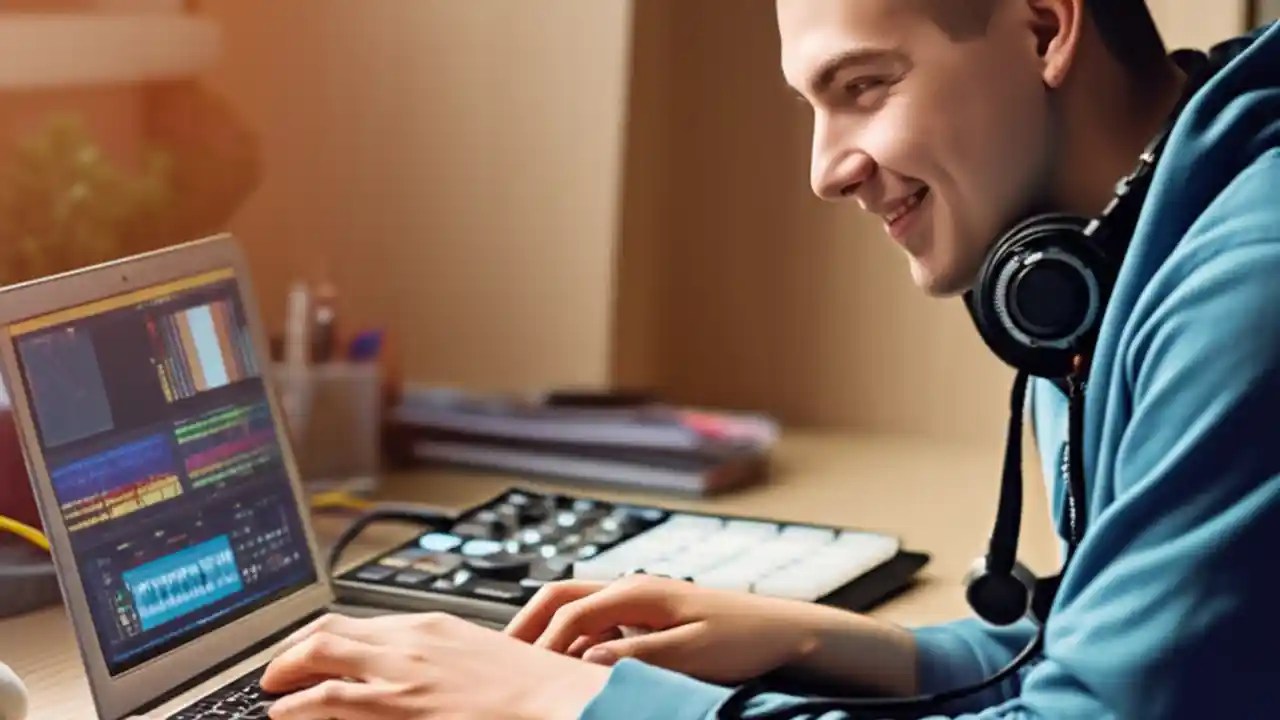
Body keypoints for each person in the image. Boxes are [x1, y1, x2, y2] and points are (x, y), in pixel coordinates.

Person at [257, 1, 1280, 718]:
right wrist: (817, 643)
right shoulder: (1109, 258)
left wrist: (573, 702)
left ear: (1044, 26)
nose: (824, 170)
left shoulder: (1244, 287)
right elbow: (1118, 663)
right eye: (812, 105)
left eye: (864, 86)